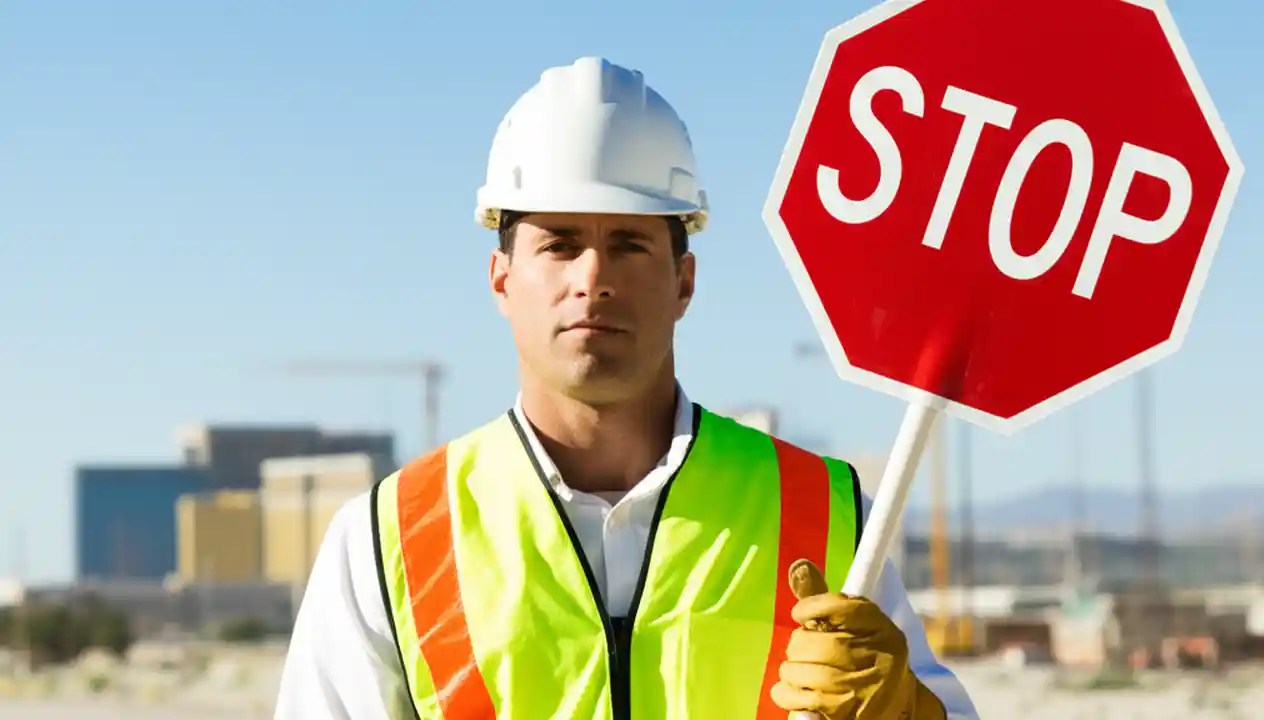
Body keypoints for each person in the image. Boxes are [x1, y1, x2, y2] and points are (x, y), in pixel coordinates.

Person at [274, 56, 979, 720]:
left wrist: (908, 711)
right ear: (501, 279)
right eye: (558, 243)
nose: (593, 277)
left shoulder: (825, 513)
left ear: (684, 282)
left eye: (630, 244)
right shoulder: (390, 537)